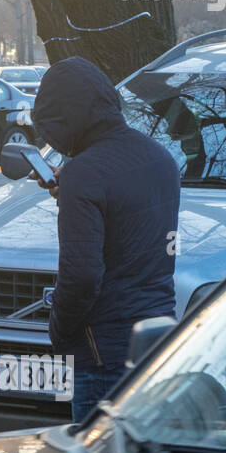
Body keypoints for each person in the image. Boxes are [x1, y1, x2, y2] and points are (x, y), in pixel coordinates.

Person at [30, 56, 180, 423]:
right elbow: (126, 211)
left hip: (101, 356)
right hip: (156, 342)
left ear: (66, 117)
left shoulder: (85, 173)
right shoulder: (160, 158)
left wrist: (59, 332)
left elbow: (81, 276)